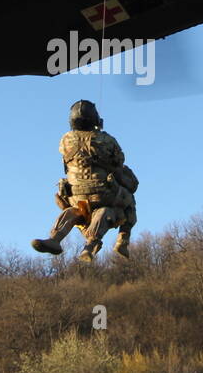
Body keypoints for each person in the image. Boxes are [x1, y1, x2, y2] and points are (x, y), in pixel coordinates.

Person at [31, 100, 138, 262]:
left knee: (73, 211)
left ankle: (54, 239)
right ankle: (117, 241)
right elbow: (119, 161)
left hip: (75, 195)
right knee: (127, 199)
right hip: (103, 192)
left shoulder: (65, 139)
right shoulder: (106, 139)